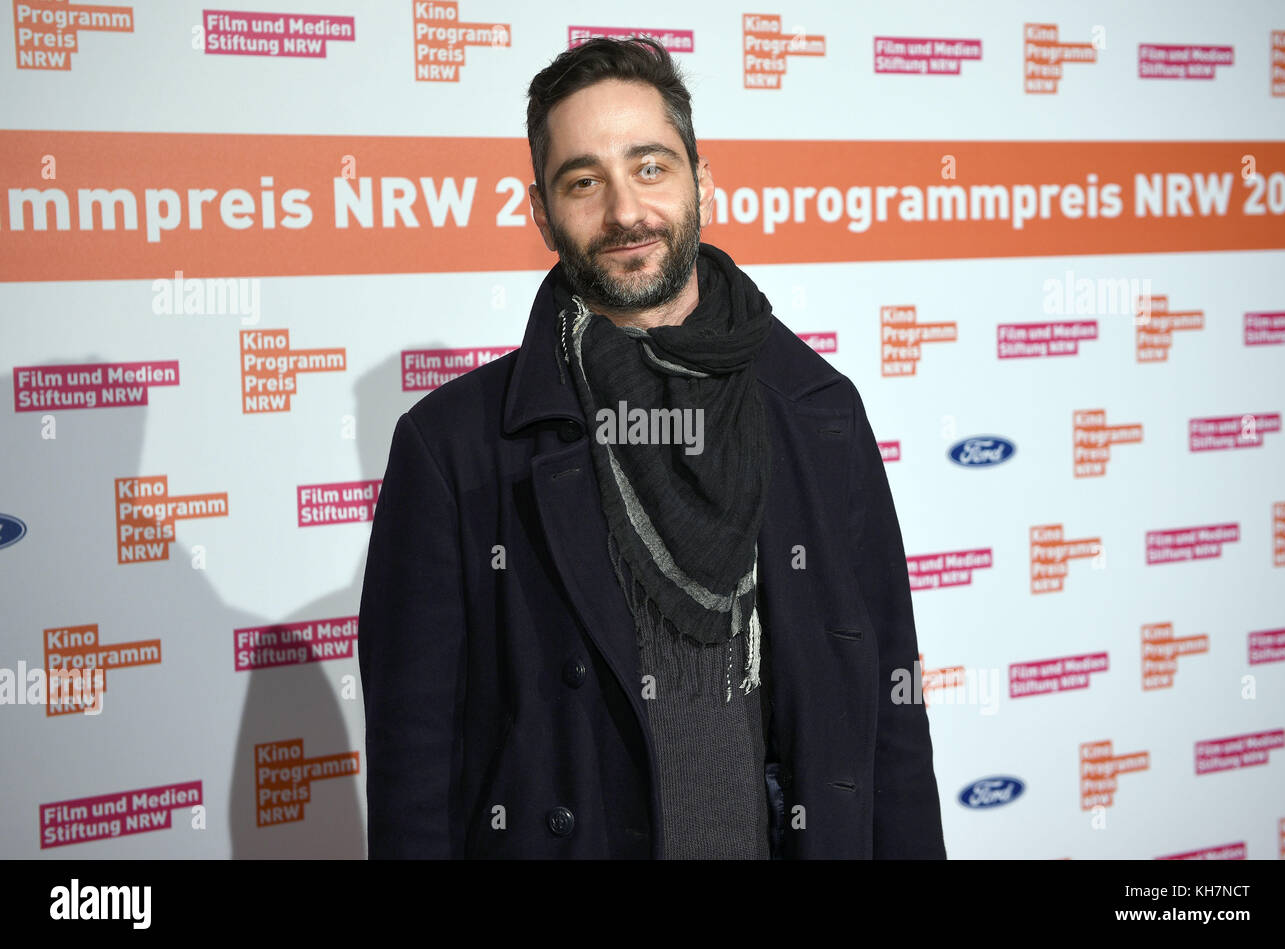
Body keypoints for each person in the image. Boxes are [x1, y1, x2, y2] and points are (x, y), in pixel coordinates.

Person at [358, 36, 945, 859]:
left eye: (650, 166)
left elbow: (888, 725)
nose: (625, 211)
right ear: (540, 212)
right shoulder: (453, 450)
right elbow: (415, 774)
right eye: (583, 181)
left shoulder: (816, 413)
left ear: (702, 180)